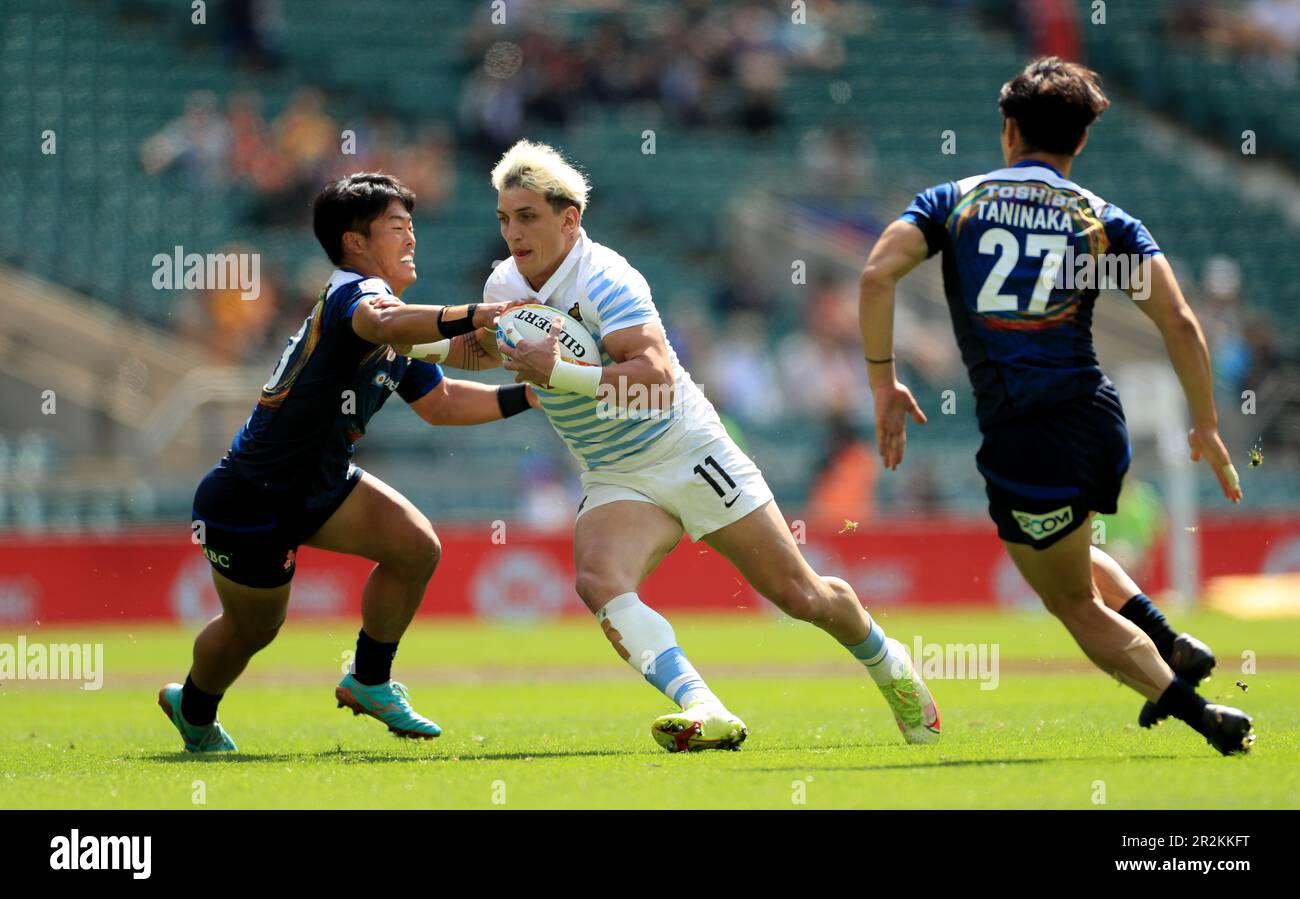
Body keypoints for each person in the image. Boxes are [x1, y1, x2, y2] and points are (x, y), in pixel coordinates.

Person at [430, 139, 939, 752]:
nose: (513, 231)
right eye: (505, 218)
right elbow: (486, 349)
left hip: (687, 450)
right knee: (599, 579)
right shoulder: (503, 282)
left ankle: (891, 667)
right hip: (614, 470)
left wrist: (557, 372)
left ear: (570, 219)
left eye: (528, 216)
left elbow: (654, 379)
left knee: (800, 596)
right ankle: (705, 706)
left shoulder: (608, 278)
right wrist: (400, 342)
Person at [857, 58, 1253, 755]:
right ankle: (1171, 640)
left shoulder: (956, 200)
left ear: (1008, 131)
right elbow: (1183, 323)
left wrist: (884, 381)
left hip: (1025, 439)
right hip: (1100, 423)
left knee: (1071, 600)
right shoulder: (1103, 219)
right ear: (1081, 142)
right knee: (1071, 551)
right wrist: (1208, 424)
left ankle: (1201, 714)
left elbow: (877, 272)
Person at [160, 173, 530, 752]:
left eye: (412, 226)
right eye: (397, 227)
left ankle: (370, 679)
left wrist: (530, 393)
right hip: (251, 497)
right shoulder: (353, 298)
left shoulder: (396, 317)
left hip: (323, 486)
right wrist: (475, 313)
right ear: (355, 243)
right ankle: (194, 709)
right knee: (253, 629)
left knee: (416, 548)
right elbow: (385, 325)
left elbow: (442, 401)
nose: (412, 238)